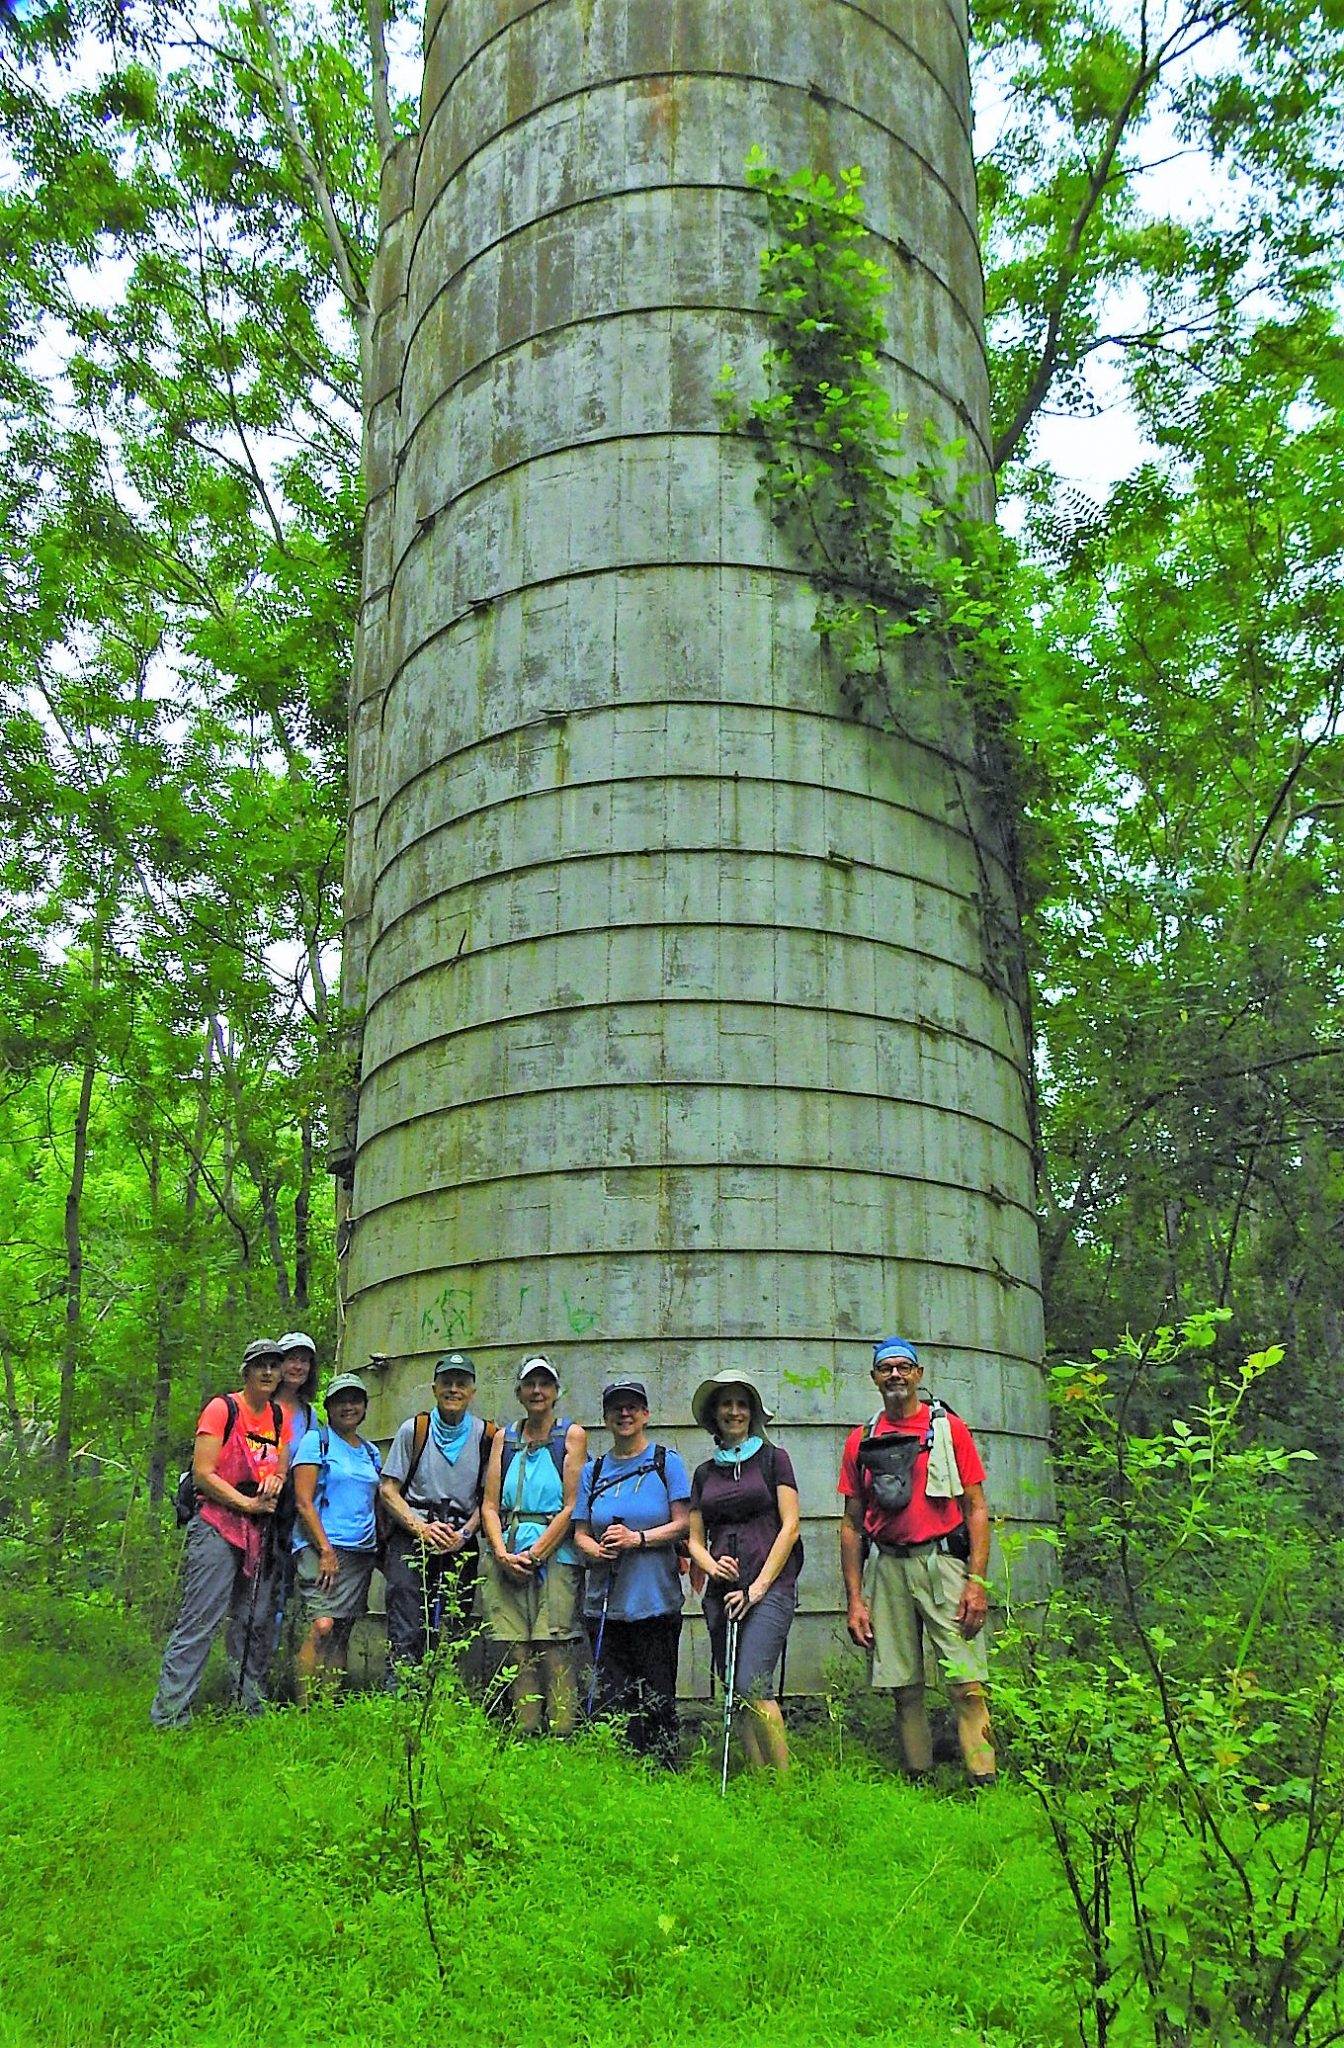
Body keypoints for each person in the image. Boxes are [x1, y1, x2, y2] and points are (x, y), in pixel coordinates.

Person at [839, 1335, 996, 1788]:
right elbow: (851, 1524)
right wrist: (855, 1599)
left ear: (919, 1375)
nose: (895, 1375)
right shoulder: (862, 1441)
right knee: (904, 1688)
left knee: (967, 1684)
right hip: (887, 1566)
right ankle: (919, 1783)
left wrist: (976, 1583)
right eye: (885, 1368)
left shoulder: (948, 1429)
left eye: (903, 1367)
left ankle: (984, 1785)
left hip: (943, 1563)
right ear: (874, 1378)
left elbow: (976, 1507)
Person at [150, 1337, 290, 1727]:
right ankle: (170, 1716)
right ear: (245, 1371)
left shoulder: (278, 1418)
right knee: (201, 1621)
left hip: (257, 1532)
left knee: (252, 1622)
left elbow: (280, 1462)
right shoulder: (222, 1409)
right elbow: (203, 1475)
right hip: (216, 1524)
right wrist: (247, 1504)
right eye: (260, 1365)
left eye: (274, 1366)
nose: (267, 1372)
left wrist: (276, 1481)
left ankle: (247, 1709)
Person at [687, 1372, 801, 1773]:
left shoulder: (774, 1459)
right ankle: (758, 1780)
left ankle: (787, 1789)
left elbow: (790, 1527)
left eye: (741, 1404)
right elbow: (695, 1540)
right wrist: (710, 1565)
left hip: (769, 1587)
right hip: (723, 1592)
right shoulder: (704, 1473)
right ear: (714, 1415)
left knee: (754, 1682)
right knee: (734, 1689)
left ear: (752, 1414)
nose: (734, 1411)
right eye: (726, 1404)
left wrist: (757, 1588)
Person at [573, 1378, 691, 1766]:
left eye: (632, 1407)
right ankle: (620, 1773)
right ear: (605, 1417)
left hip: (655, 1603)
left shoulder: (665, 1462)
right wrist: (600, 1550)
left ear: (646, 1415)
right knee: (612, 1698)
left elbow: (683, 1524)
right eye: (616, 1408)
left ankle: (664, 1772)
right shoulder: (594, 1470)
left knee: (658, 1696)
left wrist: (636, 1539)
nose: (625, 1414)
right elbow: (581, 1535)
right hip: (606, 1606)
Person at [479, 1354, 587, 1735]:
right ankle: (527, 1733)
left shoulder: (570, 1436)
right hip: (506, 1551)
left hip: (554, 1556)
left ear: (556, 1392)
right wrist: (502, 1553)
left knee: (553, 1648)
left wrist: (536, 1553)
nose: (537, 1391)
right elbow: (490, 1505)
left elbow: (573, 1505)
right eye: (530, 1384)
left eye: (545, 1384)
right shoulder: (503, 1439)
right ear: (520, 1392)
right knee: (516, 1650)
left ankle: (560, 1736)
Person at [378, 1350, 494, 1683]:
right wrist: (421, 1529)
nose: (453, 1390)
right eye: (446, 1383)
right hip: (412, 1538)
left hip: (460, 1542)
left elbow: (488, 1498)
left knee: (453, 1626)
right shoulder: (414, 1430)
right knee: (407, 1622)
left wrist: (465, 1535)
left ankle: (441, 1696)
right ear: (434, 1388)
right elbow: (389, 1489)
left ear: (472, 1391)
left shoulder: (486, 1436)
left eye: (461, 1383)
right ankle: (399, 1698)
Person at [291, 1372, 383, 1705]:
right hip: (321, 1548)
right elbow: (303, 1500)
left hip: (360, 1552)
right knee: (323, 1625)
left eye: (355, 1400)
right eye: (341, 1401)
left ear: (364, 1407)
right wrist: (325, 1549)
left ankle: (328, 1706)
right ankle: (303, 1708)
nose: (349, 1407)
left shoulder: (370, 1452)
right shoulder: (316, 1442)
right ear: (328, 1407)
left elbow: (375, 1503)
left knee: (343, 1630)